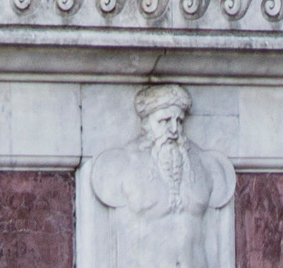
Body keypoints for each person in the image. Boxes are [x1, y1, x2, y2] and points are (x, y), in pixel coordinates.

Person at [88, 84, 235, 268]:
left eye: (179, 121)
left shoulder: (204, 164)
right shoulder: (126, 163)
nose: (174, 130)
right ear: (146, 124)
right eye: (165, 121)